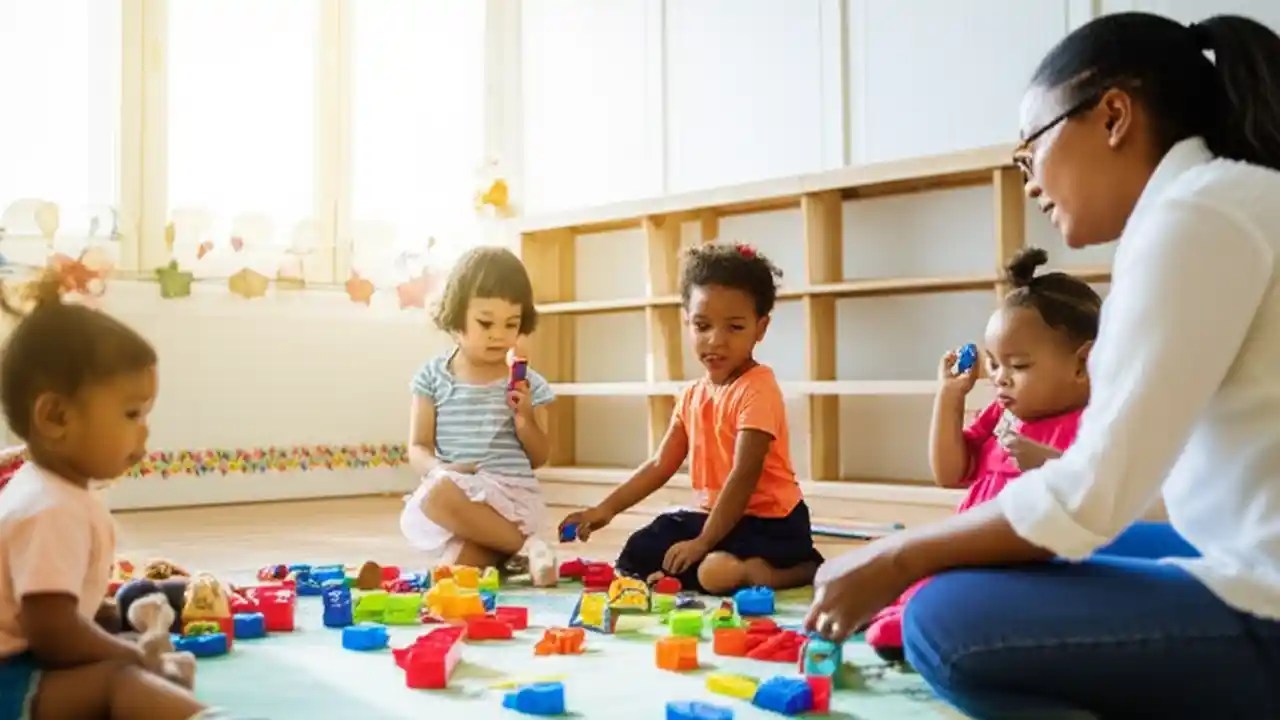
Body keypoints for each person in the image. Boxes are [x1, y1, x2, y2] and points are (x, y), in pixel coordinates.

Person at [805, 12, 1280, 719]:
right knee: (995, 558)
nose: (1027, 183)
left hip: (1266, 605)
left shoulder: (1196, 214)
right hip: (1238, 547)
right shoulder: (1226, 200)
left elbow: (1090, 497)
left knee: (944, 617)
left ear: (1113, 114)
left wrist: (899, 557)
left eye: (1029, 152)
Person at [0, 273, 220, 719]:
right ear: (57, 416)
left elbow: (60, 609)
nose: (144, 429)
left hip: (22, 664)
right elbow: (53, 633)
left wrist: (118, 632)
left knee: (142, 667)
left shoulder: (51, 491)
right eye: (131, 412)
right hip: (10, 679)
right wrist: (132, 657)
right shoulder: (49, 508)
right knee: (121, 684)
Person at [865, 247, 1101, 662]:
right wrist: (949, 397)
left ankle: (924, 626)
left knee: (962, 602)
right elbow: (949, 471)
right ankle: (909, 619)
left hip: (1032, 565)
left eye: (1019, 366)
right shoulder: (999, 414)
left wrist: (1047, 463)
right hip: (971, 549)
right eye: (993, 364)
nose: (999, 378)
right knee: (918, 583)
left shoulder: (1093, 422)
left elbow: (1099, 494)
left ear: (1082, 364)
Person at [559, 243, 822, 594]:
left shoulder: (758, 389)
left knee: (714, 572)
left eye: (734, 327)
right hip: (716, 518)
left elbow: (743, 476)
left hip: (770, 524)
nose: (715, 340)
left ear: (760, 328)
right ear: (687, 322)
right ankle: (718, 569)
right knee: (638, 552)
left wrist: (701, 542)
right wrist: (604, 510)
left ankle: (791, 571)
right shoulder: (692, 395)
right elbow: (659, 465)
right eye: (702, 325)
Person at [400, 246, 558, 585]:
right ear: (457, 316)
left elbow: (540, 457)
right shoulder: (431, 377)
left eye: (511, 324)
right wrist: (439, 470)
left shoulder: (528, 384)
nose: (499, 334)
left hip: (512, 498)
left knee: (438, 497)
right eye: (486, 323)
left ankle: (523, 545)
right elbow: (418, 446)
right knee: (453, 575)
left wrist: (524, 418)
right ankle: (521, 551)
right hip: (462, 499)